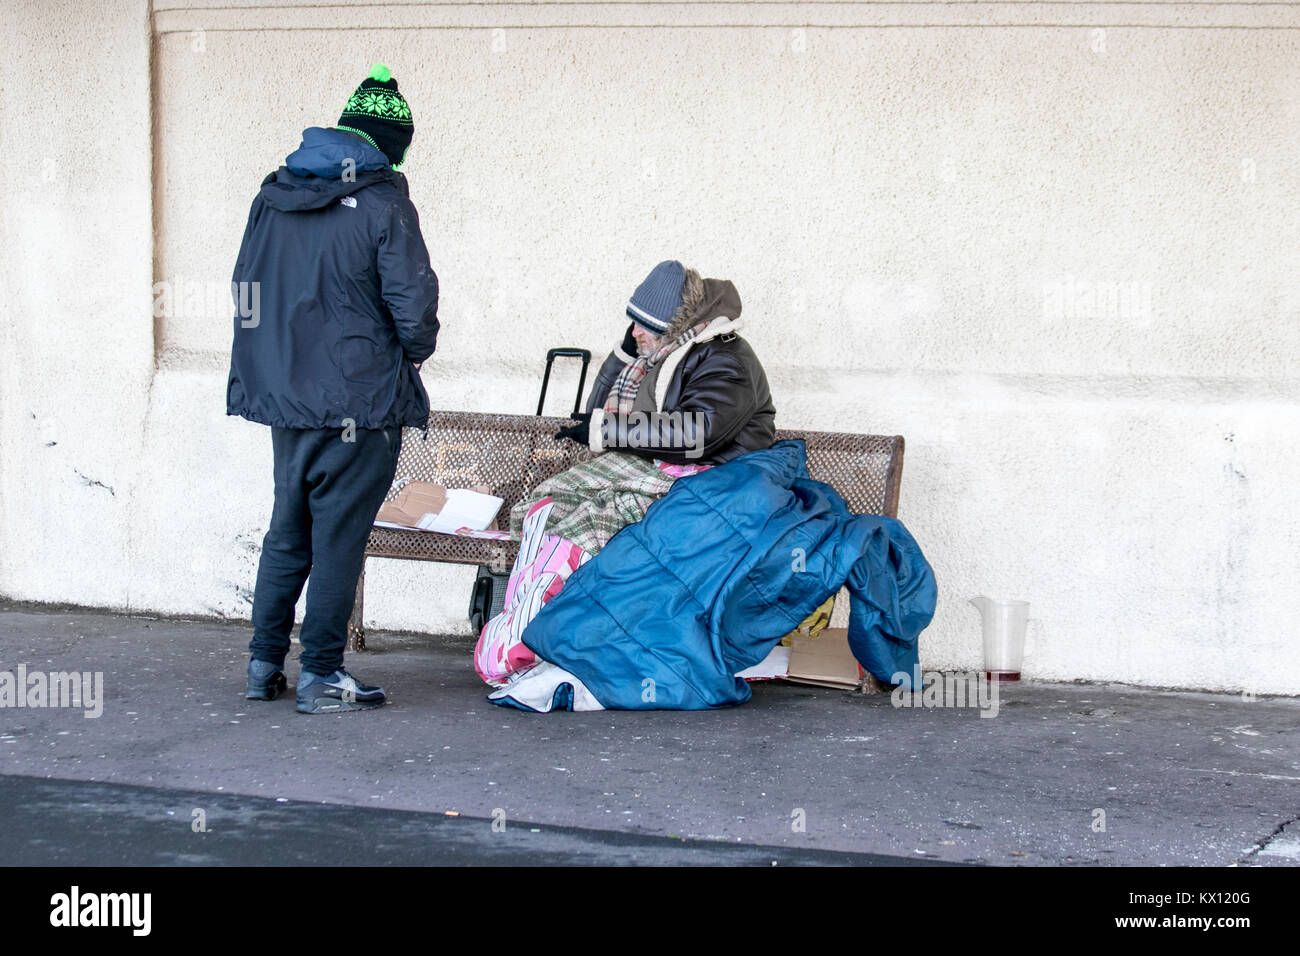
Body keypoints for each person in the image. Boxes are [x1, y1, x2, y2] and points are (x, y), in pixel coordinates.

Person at [227, 64, 439, 714]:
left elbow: (247, 292)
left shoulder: (273, 197)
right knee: (340, 536)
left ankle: (264, 664)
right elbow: (415, 310)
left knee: (288, 529)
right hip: (360, 401)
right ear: (390, 145)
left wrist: (275, 369)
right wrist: (409, 352)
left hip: (288, 400)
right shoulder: (382, 203)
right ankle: (321, 673)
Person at [473, 261, 775, 686]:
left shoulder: (725, 357)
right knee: (546, 506)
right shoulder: (662, 355)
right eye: (633, 322)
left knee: (588, 521)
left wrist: (605, 429)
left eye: (644, 325)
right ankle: (528, 628)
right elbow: (596, 413)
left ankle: (534, 639)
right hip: (666, 473)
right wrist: (622, 359)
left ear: (675, 324)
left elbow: (698, 433)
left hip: (717, 485)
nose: (634, 331)